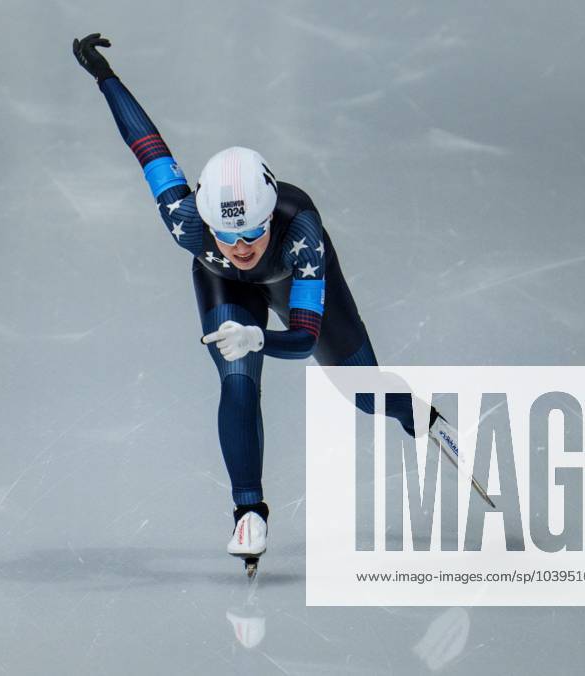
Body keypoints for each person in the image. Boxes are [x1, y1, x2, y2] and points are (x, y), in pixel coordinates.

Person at [72, 34, 483, 575]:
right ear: (207, 222)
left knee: (362, 392)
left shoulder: (301, 230)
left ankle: (420, 416)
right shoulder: (187, 221)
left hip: (295, 282)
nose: (240, 249)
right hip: (225, 290)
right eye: (228, 236)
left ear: (271, 221)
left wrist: (262, 335)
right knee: (237, 378)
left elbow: (308, 337)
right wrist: (105, 76)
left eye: (252, 236)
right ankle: (249, 513)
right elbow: (146, 144)